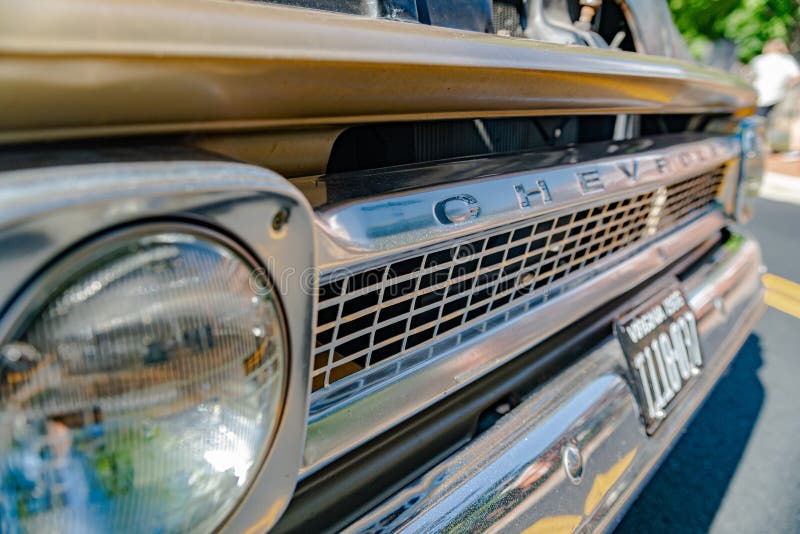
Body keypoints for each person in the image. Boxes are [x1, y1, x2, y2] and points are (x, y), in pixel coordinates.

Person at [750, 39, 800, 117]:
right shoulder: (787, 60)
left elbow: (751, 76)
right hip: (780, 97)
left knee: (759, 119)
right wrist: (788, 85)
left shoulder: (758, 60)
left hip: (760, 96)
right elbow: (797, 77)